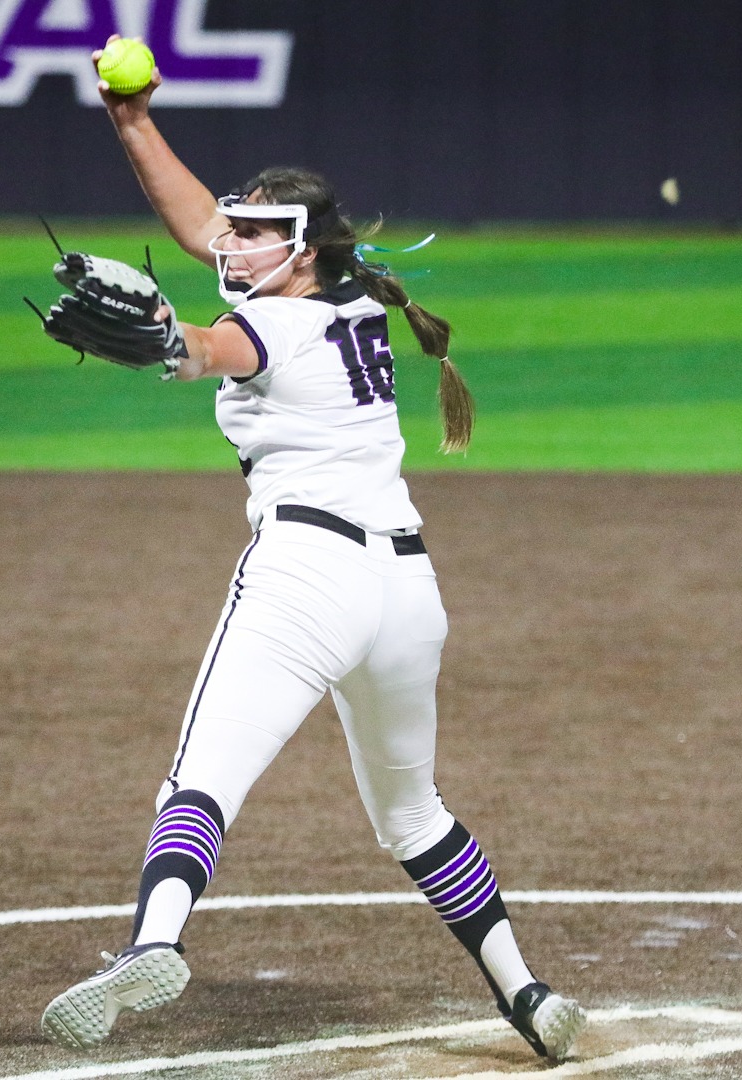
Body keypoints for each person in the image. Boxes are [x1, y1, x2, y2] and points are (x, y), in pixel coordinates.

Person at [37, 37, 588, 1061]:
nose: (230, 244)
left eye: (253, 234)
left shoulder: (271, 329)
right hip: (407, 592)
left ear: (301, 250)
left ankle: (152, 945)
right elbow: (203, 230)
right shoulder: (348, 308)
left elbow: (207, 349)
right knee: (414, 814)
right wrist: (133, 120)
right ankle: (528, 996)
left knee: (198, 784)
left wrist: (165, 333)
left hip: (308, 578)